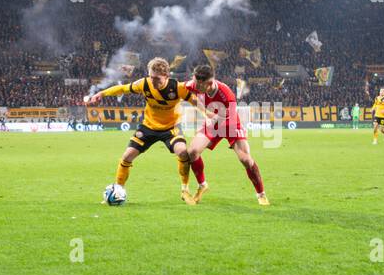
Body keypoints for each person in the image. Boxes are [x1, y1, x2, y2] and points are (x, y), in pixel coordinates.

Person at [83, 57, 203, 203]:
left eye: (157, 79)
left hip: (171, 128)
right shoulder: (144, 84)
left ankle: (185, 189)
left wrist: (209, 114)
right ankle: (118, 190)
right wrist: (101, 94)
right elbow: (123, 88)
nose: (153, 81)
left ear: (166, 76)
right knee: (127, 157)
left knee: (183, 152)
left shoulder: (178, 88)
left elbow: (196, 102)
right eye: (151, 77)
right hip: (148, 127)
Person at [183, 64, 268, 206]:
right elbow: (177, 86)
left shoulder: (226, 94)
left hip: (230, 123)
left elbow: (228, 117)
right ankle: (202, 185)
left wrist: (212, 121)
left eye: (199, 85)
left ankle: (261, 194)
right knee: (192, 151)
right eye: (195, 82)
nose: (195, 87)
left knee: (245, 159)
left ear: (209, 83)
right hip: (212, 121)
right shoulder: (195, 84)